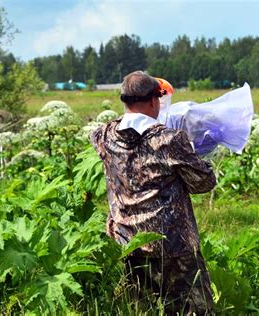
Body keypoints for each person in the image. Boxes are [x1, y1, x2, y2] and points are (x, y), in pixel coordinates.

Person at [90, 71, 216, 315]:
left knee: (142, 310)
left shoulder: (103, 136)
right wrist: (196, 152)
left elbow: (98, 134)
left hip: (128, 244)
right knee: (194, 310)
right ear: (153, 101)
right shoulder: (169, 140)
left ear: (125, 101)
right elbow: (204, 183)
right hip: (172, 247)